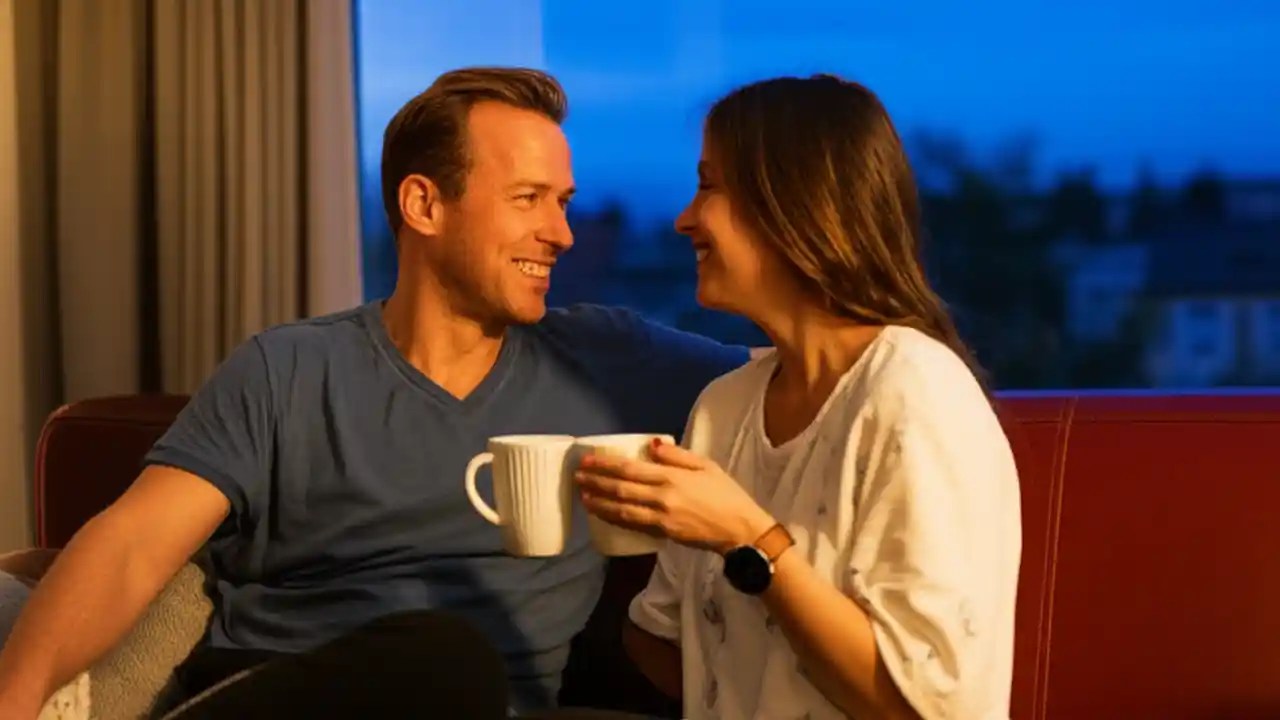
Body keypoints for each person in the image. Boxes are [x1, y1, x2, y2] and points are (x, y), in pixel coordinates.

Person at [0, 67, 748, 719]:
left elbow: (817, 370)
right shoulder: (289, 369)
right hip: (279, 694)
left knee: (468, 671)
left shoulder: (609, 358)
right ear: (423, 205)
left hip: (486, 705)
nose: (562, 233)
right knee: (444, 655)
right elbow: (131, 547)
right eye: (529, 199)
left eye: (564, 201)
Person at [574, 74, 1022, 720]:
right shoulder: (723, 409)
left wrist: (745, 537)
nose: (683, 218)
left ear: (789, 205)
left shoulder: (916, 394)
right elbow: (663, 647)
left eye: (708, 186)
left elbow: (920, 707)